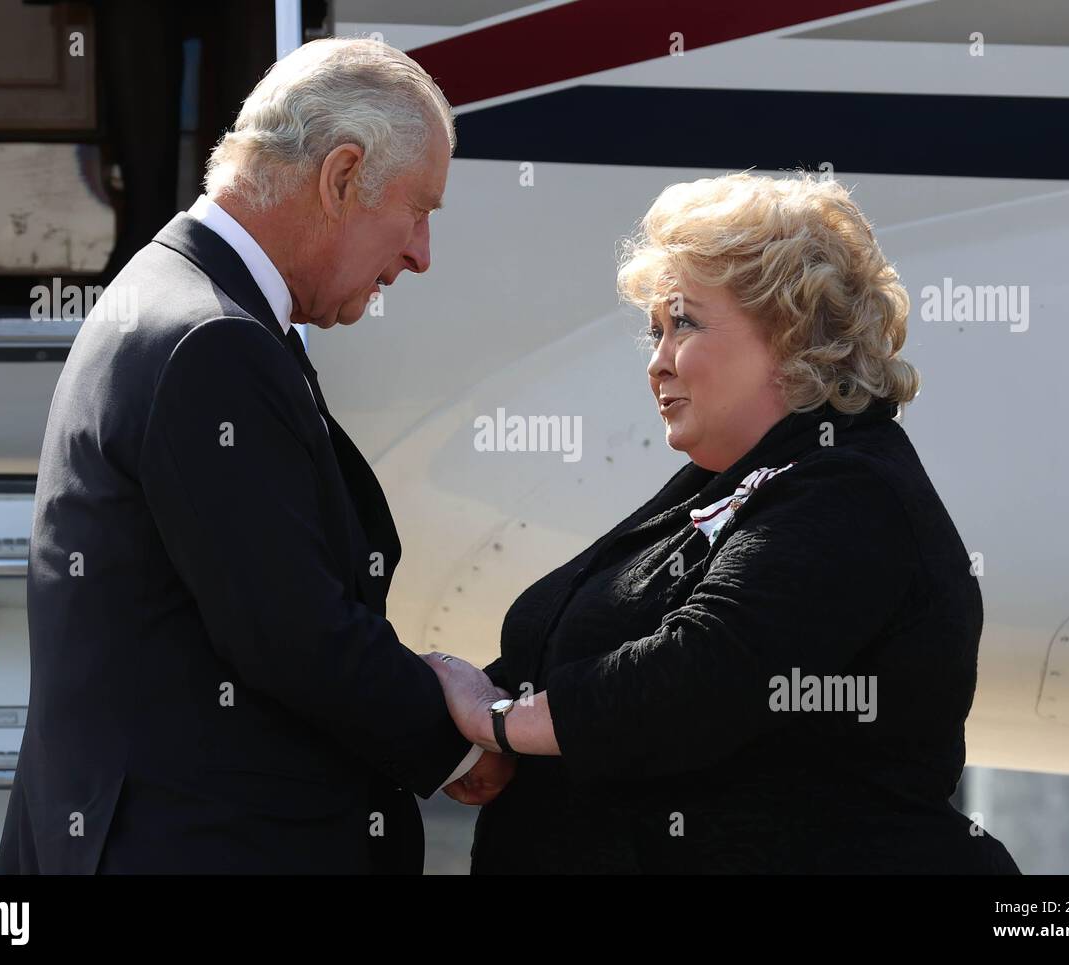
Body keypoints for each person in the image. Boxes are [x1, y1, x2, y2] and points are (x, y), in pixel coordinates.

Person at [0, 38, 512, 876]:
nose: (421, 253)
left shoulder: (174, 294)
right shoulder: (216, 339)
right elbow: (289, 630)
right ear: (341, 177)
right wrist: (462, 739)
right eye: (419, 210)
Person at [426, 171, 1021, 874]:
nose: (656, 362)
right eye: (654, 331)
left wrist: (500, 723)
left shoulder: (854, 489)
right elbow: (580, 653)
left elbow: (701, 676)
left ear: (789, 328)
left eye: (683, 323)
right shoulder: (732, 484)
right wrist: (476, 731)